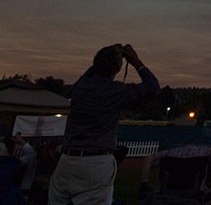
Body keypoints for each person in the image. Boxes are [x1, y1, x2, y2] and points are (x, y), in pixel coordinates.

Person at [48, 44, 160, 205]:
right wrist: (136, 61)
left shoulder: (80, 87)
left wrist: (106, 56)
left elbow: (90, 73)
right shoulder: (116, 91)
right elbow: (152, 87)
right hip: (96, 163)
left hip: (67, 160)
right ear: (117, 68)